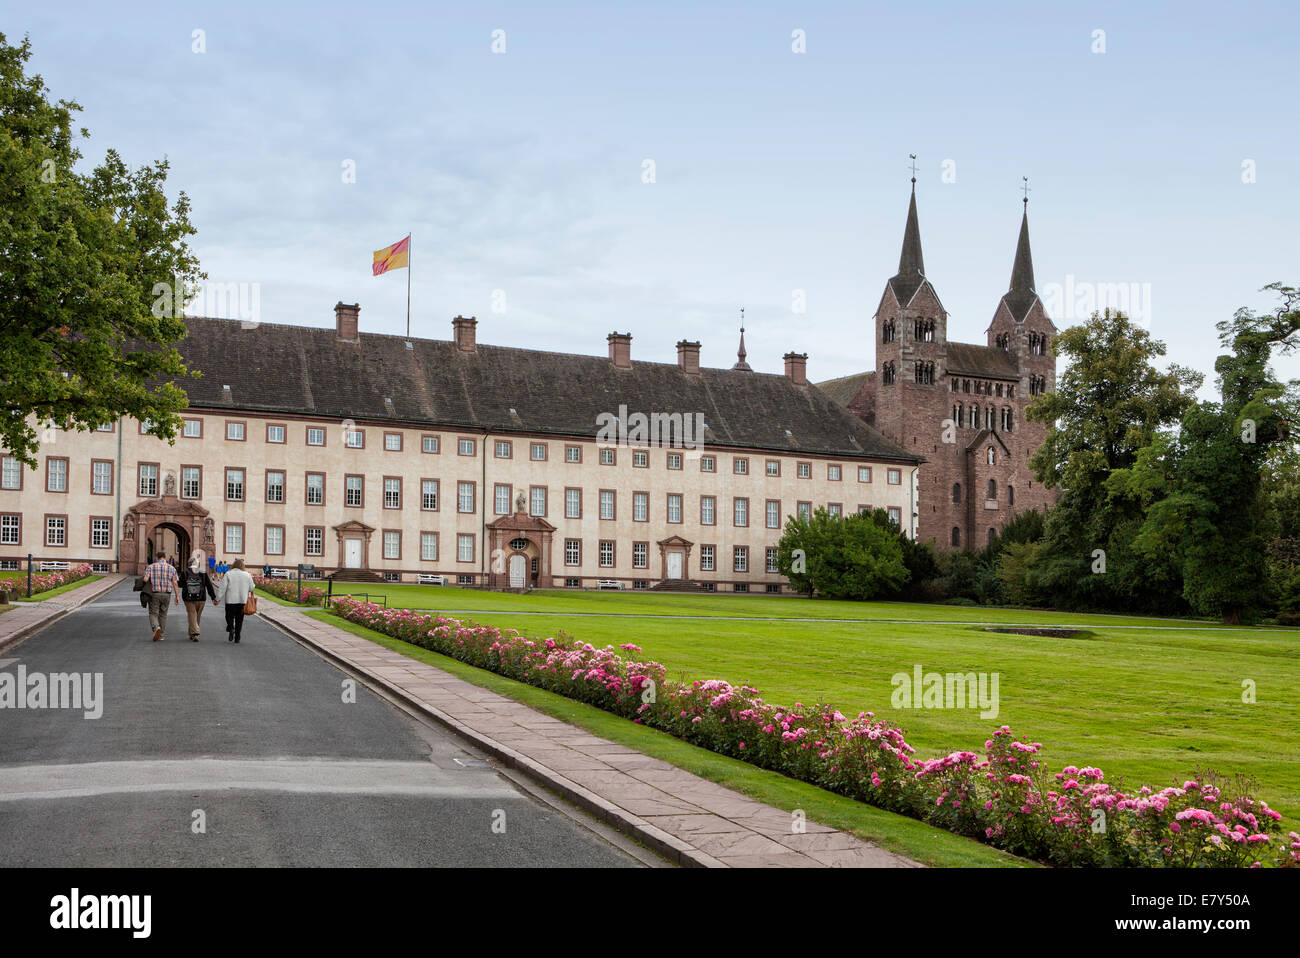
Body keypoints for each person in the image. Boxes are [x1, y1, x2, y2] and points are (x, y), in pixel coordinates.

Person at [213, 558, 255, 643]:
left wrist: (217, 599)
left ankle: (231, 627)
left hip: (230, 600)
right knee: (239, 619)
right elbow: (252, 587)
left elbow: (222, 588)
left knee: (229, 616)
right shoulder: (247, 575)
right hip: (242, 600)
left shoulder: (228, 574)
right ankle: (237, 637)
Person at [142, 553, 181, 642]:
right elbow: (175, 583)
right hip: (167, 594)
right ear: (165, 558)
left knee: (153, 613)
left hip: (155, 594)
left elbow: (145, 579)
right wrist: (177, 596)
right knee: (163, 614)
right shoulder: (172, 568)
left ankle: (156, 627)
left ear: (157, 558)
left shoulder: (151, 567)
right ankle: (161, 635)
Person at [181, 550, 217, 642]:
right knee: (197, 616)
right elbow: (209, 586)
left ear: (189, 564)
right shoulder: (203, 573)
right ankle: (194, 634)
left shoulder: (185, 572)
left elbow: (181, 584)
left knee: (192, 615)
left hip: (188, 598)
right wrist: (213, 598)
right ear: (197, 564)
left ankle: (194, 633)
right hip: (201, 598)